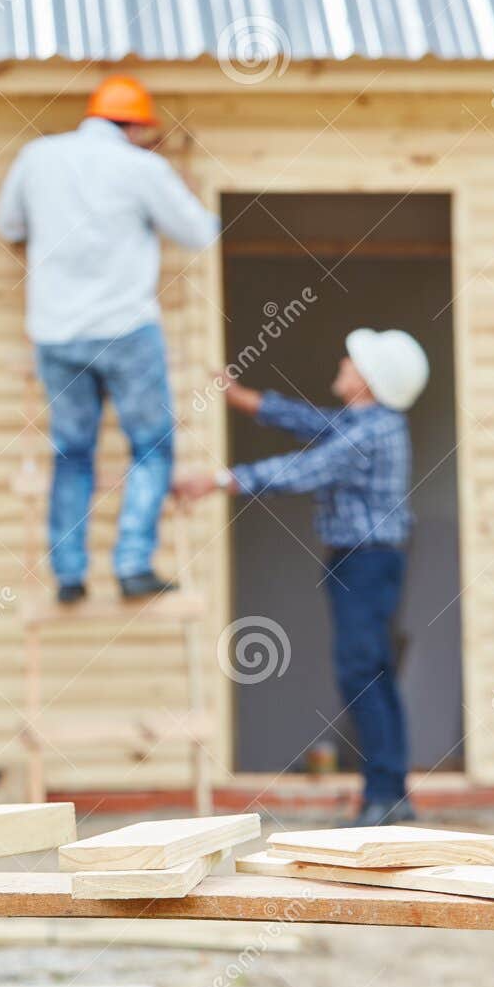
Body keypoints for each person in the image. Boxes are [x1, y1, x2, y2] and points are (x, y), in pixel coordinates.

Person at [174, 328, 430, 827]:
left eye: (353, 361)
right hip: (366, 561)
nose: (343, 362)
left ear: (370, 381)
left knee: (362, 674)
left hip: (365, 562)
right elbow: (307, 421)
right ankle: (391, 793)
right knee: (373, 674)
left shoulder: (368, 433)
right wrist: (244, 399)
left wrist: (216, 480)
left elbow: (305, 469)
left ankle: (384, 796)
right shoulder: (365, 421)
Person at [0, 75, 219, 604]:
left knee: (72, 452)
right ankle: (133, 564)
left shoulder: (38, 156)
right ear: (137, 127)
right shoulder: (142, 168)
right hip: (125, 330)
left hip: (55, 330)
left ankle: (69, 574)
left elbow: (9, 224)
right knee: (152, 446)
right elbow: (199, 232)